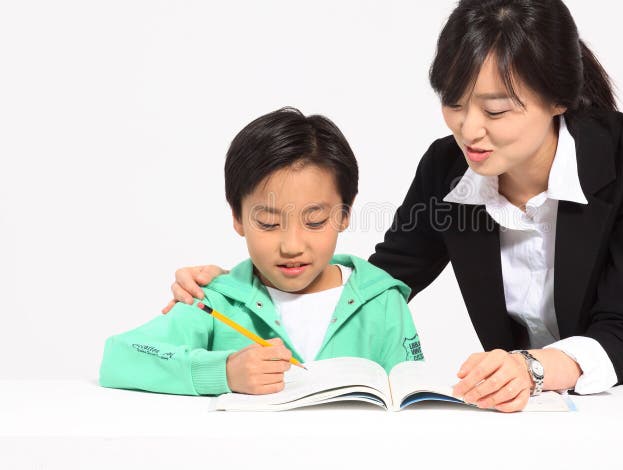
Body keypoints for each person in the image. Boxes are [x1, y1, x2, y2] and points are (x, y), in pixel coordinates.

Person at [164, 0, 623, 411]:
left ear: (558, 99)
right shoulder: (446, 168)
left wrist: (531, 368)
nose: (469, 130)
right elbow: (383, 283)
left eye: (496, 109)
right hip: (539, 416)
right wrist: (238, 290)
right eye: (455, 103)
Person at [100, 107, 423, 396]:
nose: (292, 246)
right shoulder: (217, 301)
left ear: (344, 215)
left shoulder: (382, 303)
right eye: (269, 223)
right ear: (238, 218)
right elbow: (119, 357)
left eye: (315, 221)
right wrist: (223, 372)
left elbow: (414, 399)